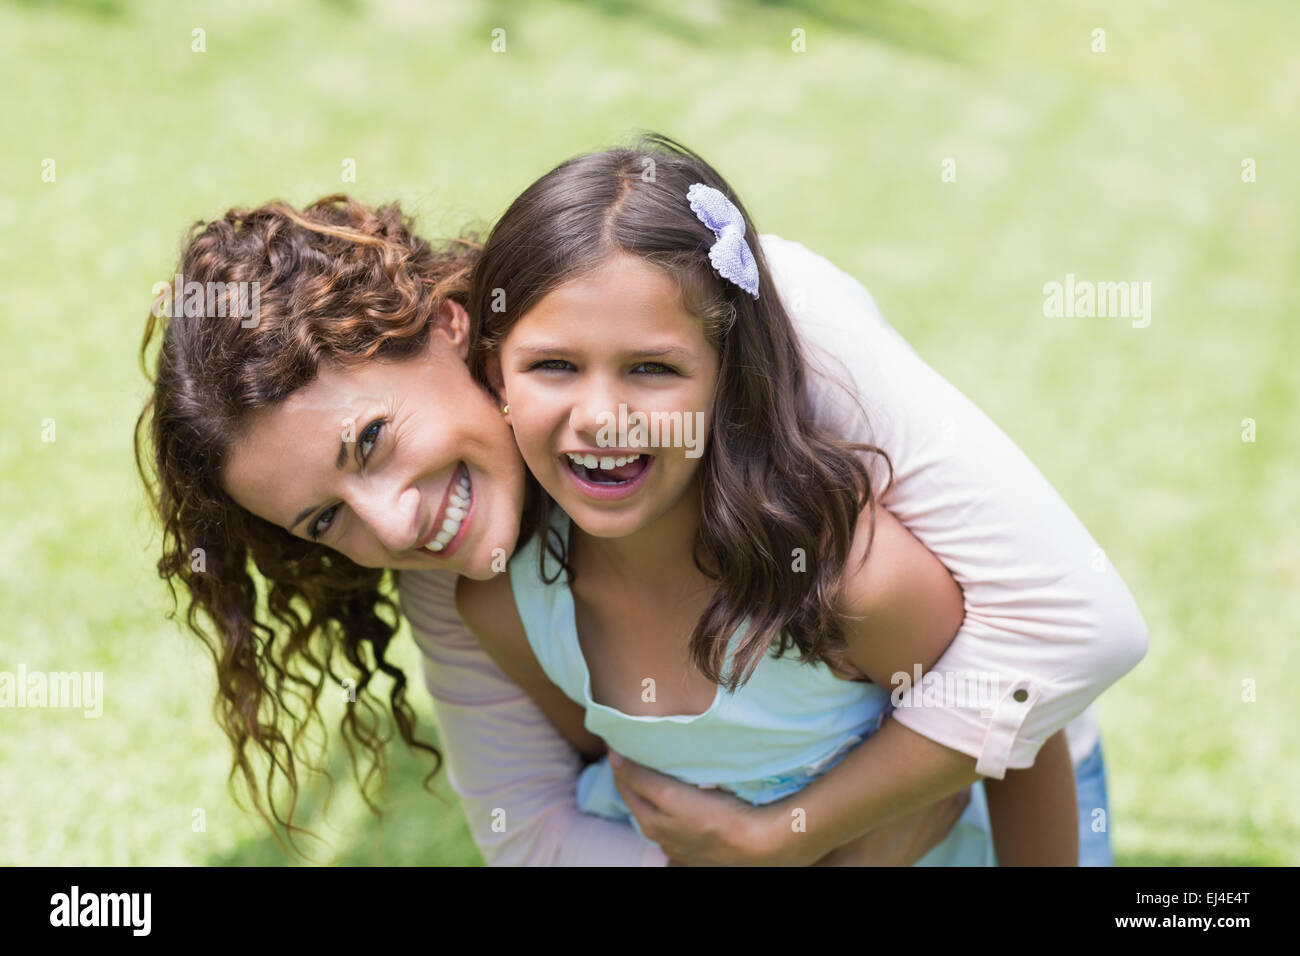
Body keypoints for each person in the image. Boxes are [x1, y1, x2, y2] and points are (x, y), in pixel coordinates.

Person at [138, 159, 1145, 865]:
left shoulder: (769, 343)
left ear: (449, 329)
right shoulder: (480, 585)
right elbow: (550, 813)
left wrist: (807, 832)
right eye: (326, 519)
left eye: (371, 441)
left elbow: (1047, 668)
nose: (392, 525)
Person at [455, 136, 1085, 865]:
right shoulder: (510, 607)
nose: (602, 416)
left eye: (653, 368)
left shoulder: (849, 579)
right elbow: (599, 765)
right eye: (554, 366)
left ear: (728, 382)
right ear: (497, 378)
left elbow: (1019, 730)